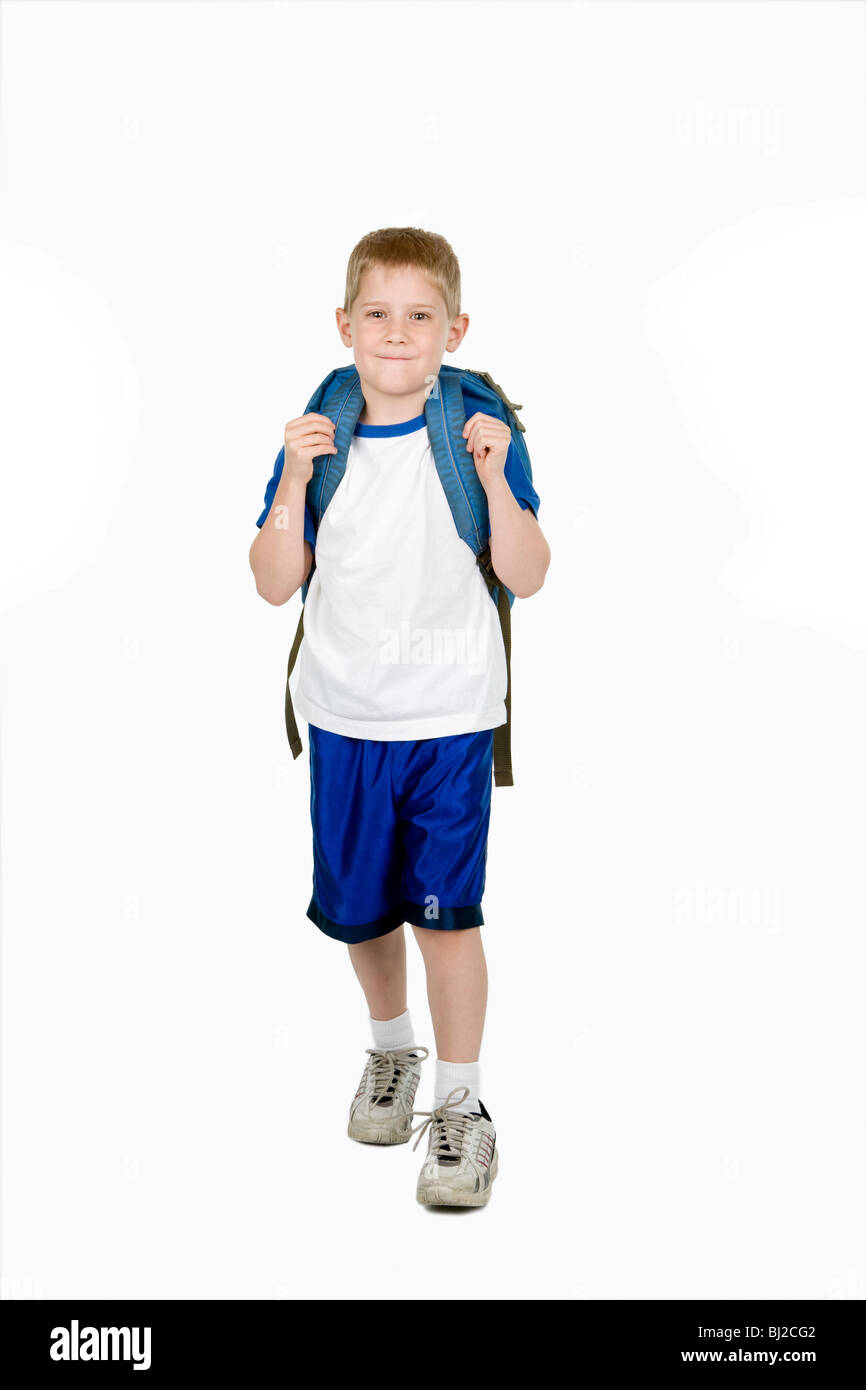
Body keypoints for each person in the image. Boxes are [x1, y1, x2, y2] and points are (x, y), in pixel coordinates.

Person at [249, 227, 550, 1207]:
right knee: (358, 911)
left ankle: (463, 1107)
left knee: (447, 919)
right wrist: (291, 480)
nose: (396, 332)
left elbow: (528, 574)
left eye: (419, 316)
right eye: (375, 313)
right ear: (343, 325)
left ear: (453, 329)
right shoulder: (318, 432)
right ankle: (392, 1053)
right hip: (342, 717)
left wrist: (500, 476)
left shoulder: (477, 430)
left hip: (450, 716)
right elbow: (271, 582)